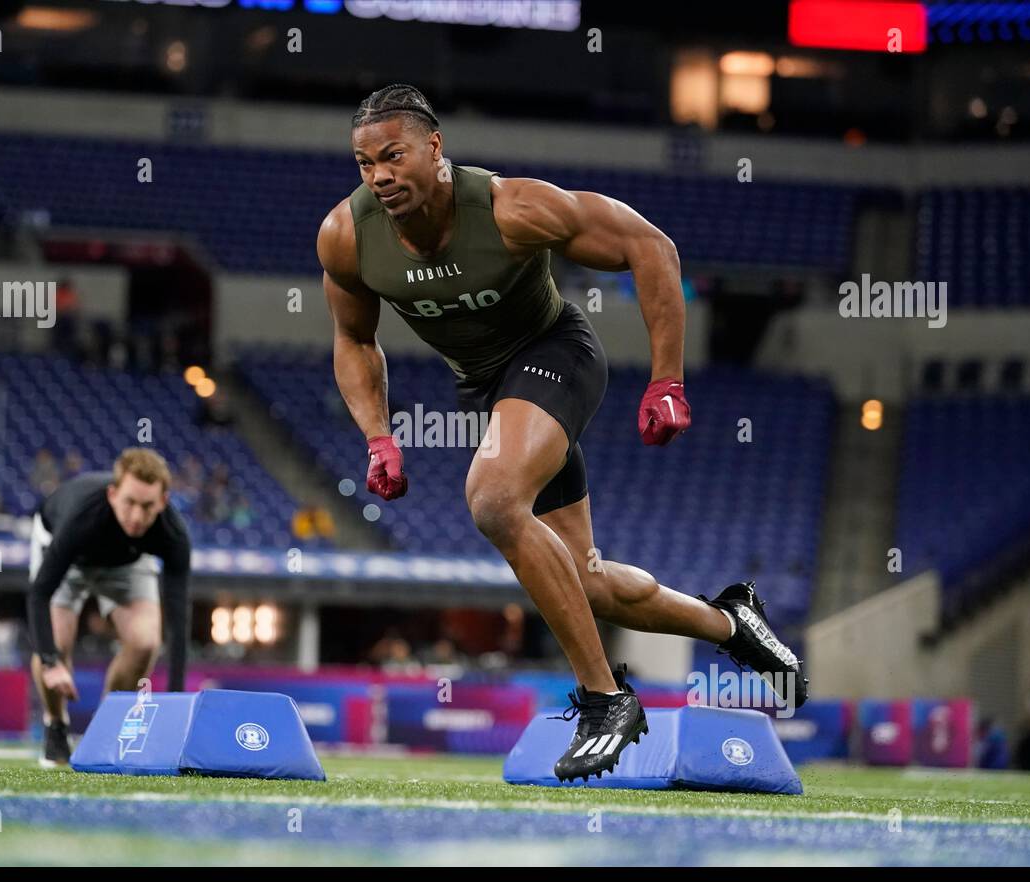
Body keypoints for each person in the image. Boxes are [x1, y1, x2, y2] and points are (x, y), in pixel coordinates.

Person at [318, 84, 806, 782]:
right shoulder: (345, 234)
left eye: (393, 156)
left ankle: (607, 700)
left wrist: (667, 380)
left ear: (434, 147)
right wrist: (377, 436)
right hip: (489, 391)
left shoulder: (513, 208)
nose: (380, 176)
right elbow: (353, 338)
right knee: (590, 583)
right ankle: (733, 624)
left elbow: (650, 246)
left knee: (491, 499)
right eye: (365, 164)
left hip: (556, 357)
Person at [26, 447, 191, 766]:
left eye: (148, 506)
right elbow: (38, 594)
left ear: (164, 502)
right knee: (56, 644)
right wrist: (49, 662)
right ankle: (56, 726)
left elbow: (179, 620)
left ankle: (106, 731)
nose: (137, 517)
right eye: (129, 503)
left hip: (127, 561)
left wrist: (177, 705)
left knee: (145, 642)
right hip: (66, 555)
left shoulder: (173, 534)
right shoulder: (80, 517)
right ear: (112, 494)